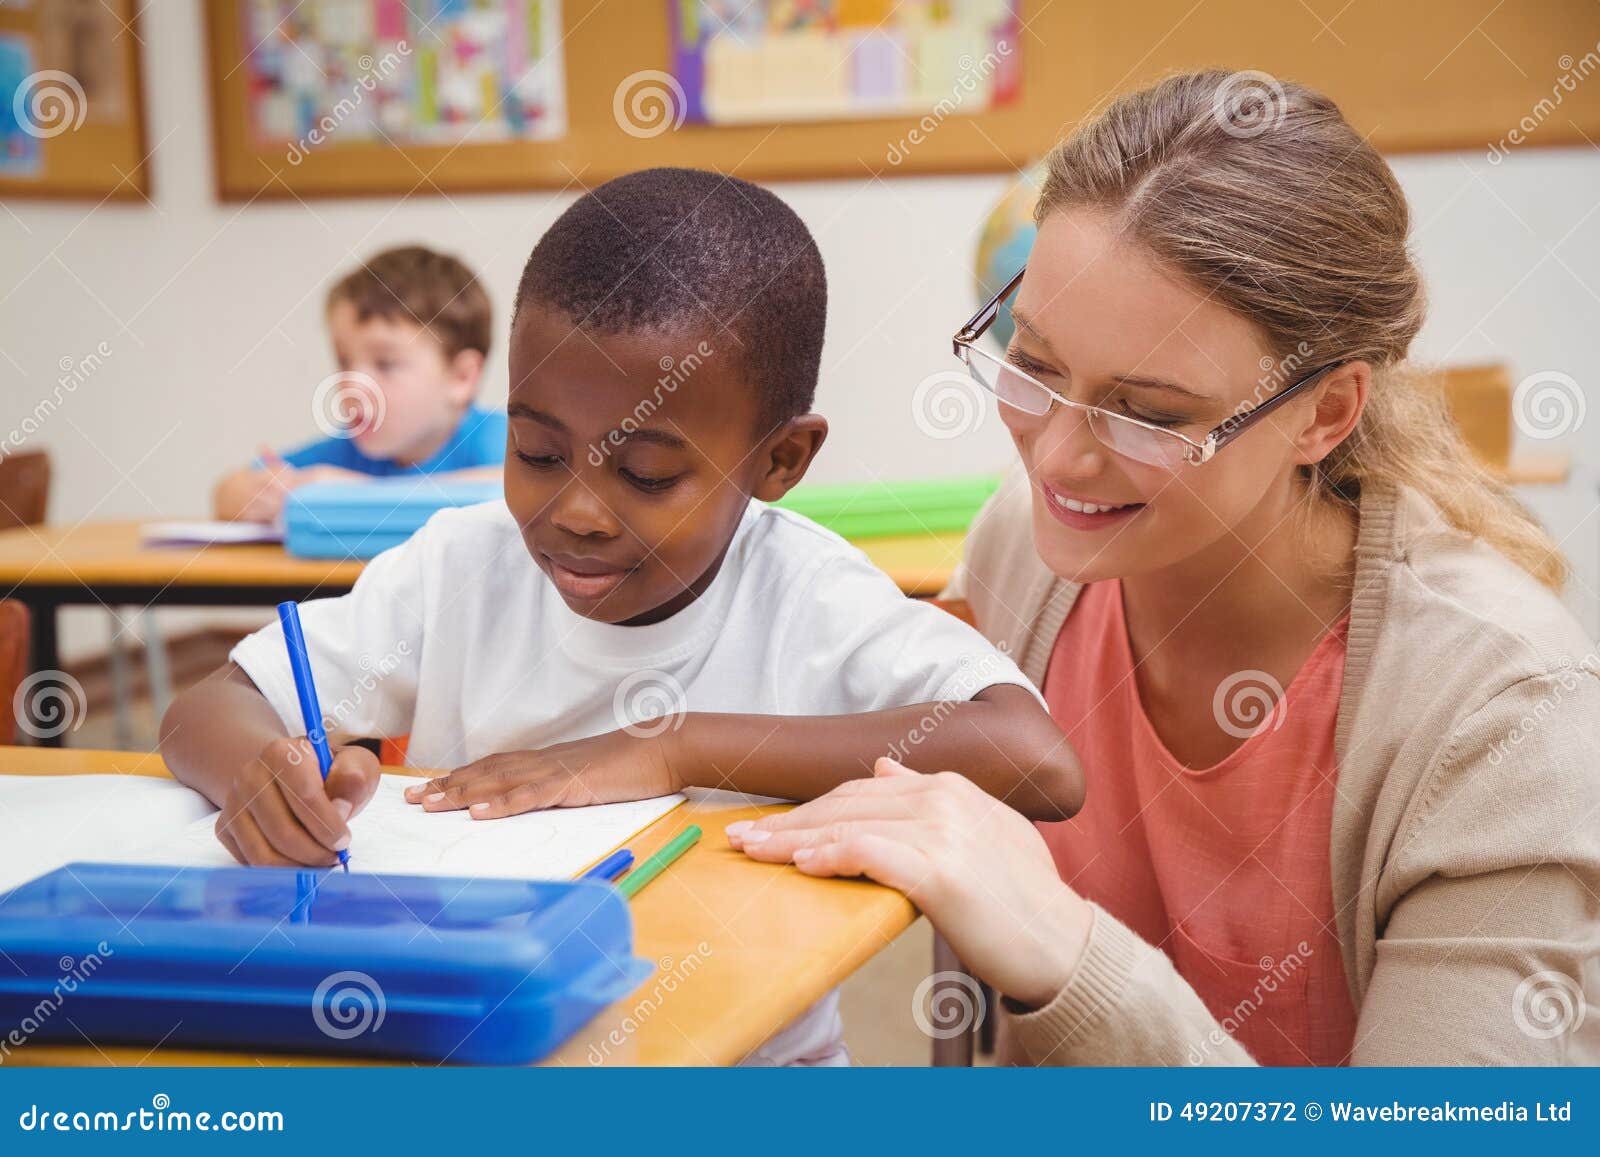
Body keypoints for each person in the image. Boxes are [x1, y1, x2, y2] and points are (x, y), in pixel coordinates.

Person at [729, 71, 1600, 1065]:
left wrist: (1067, 949)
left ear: (1323, 412)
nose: (1056, 459)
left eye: (1146, 413)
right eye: (1037, 363)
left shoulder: (1504, 714)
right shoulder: (1025, 549)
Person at [162, 168, 1083, 1066]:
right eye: (536, 451)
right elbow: (210, 703)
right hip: (489, 1053)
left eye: (646, 475)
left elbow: (1033, 758)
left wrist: (670, 746)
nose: (577, 511)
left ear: (782, 461)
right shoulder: (459, 567)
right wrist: (257, 773)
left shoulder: (806, 594)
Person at [213, 245, 505, 523]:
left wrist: (353, 494)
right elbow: (227, 491)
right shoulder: (350, 449)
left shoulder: (496, 439)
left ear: (461, 378)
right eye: (344, 361)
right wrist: (261, 494)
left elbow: (511, 489)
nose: (353, 384)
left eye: (385, 363)